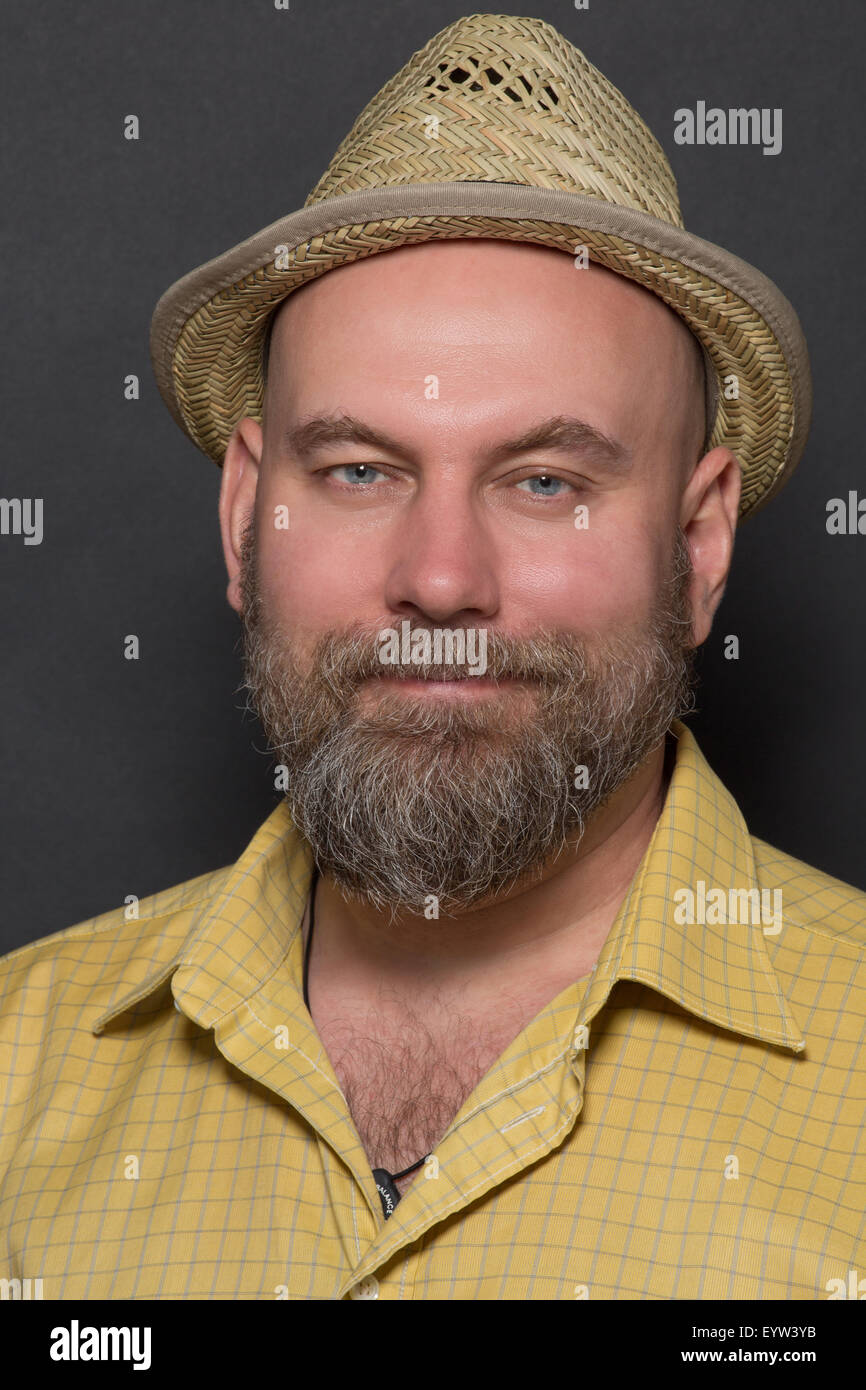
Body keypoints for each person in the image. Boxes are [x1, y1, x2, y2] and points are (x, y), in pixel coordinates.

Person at [1, 13, 863, 1302]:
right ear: (246, 517)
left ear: (699, 541)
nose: (441, 580)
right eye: (358, 470)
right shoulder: (18, 1074)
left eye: (546, 480)